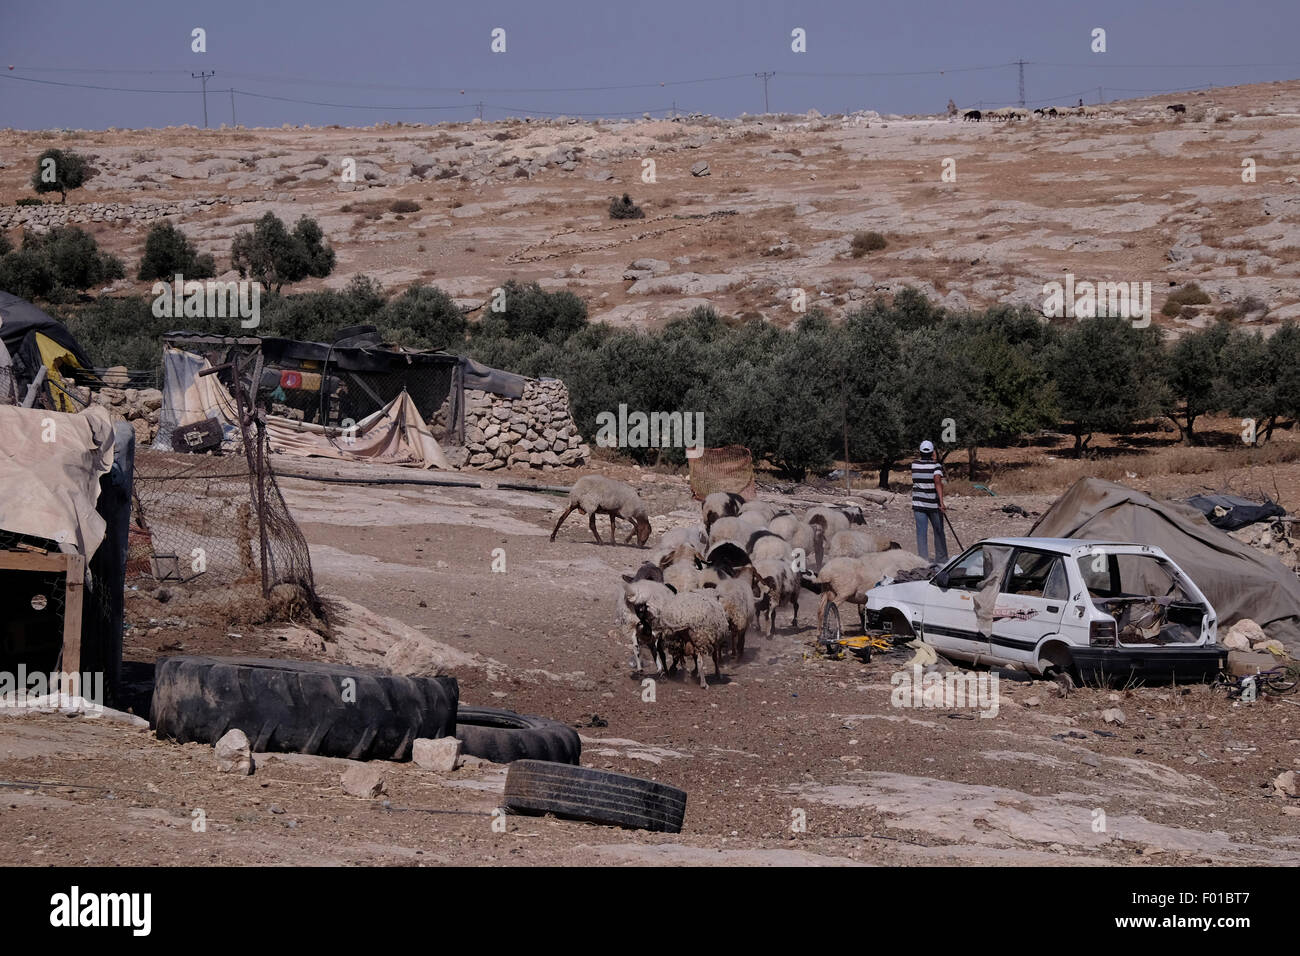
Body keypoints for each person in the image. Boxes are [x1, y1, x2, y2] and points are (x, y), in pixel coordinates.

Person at [911, 440, 948, 564]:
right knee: (938, 531)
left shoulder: (914, 464)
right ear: (932, 452)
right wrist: (942, 502)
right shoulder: (936, 466)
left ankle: (923, 560)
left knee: (921, 533)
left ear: (920, 452)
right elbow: (938, 483)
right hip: (933, 504)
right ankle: (941, 559)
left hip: (918, 504)